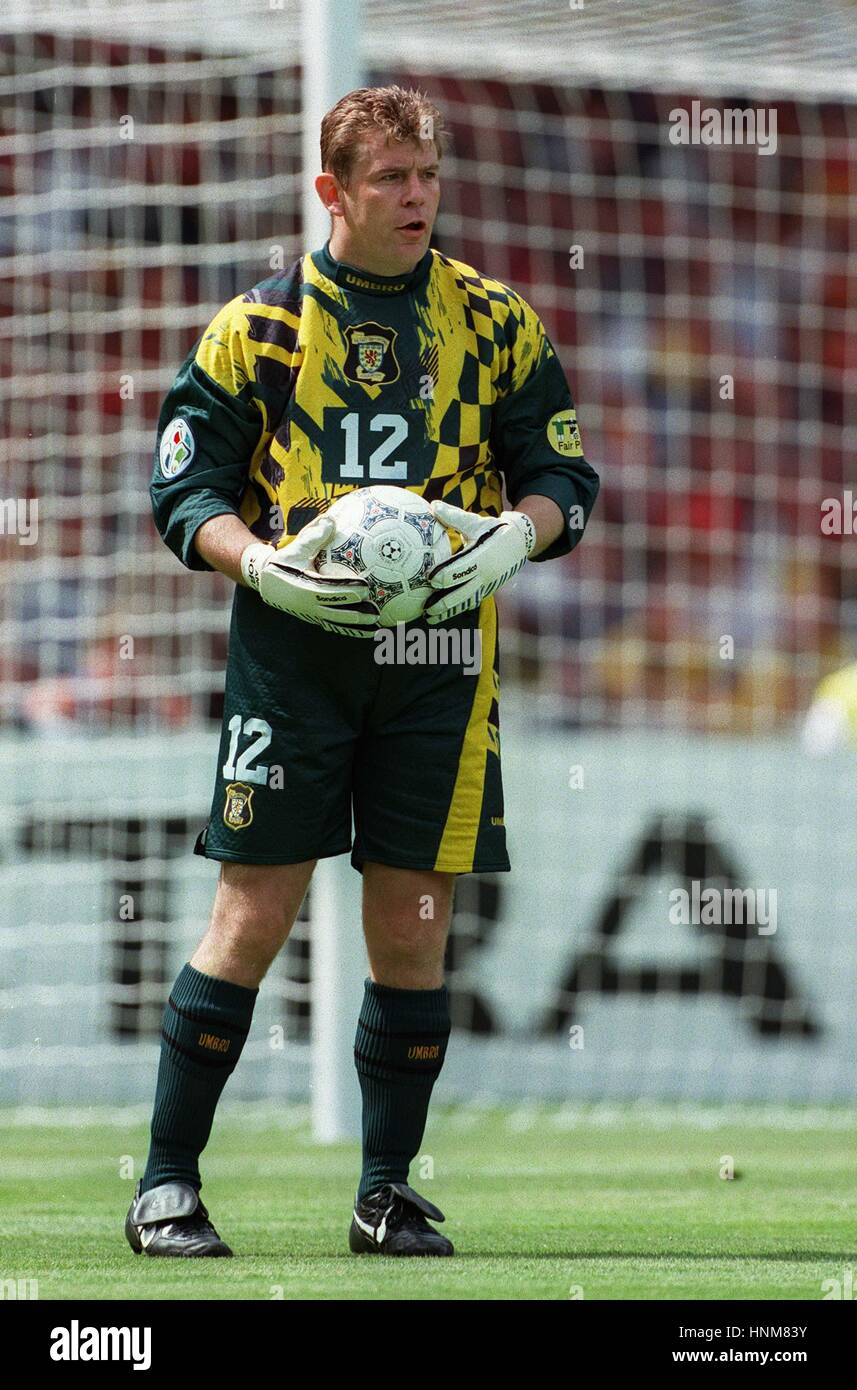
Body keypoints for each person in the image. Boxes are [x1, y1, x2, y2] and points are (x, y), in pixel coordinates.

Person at [125, 85, 599, 1259]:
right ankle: (164, 1187)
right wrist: (264, 568)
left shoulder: (493, 323)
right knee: (251, 914)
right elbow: (181, 491)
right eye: (389, 178)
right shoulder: (262, 326)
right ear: (330, 191)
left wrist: (513, 536)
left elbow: (563, 476)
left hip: (439, 660)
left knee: (414, 923)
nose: (416, 198)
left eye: (427, 175)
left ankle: (385, 1193)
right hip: (295, 658)